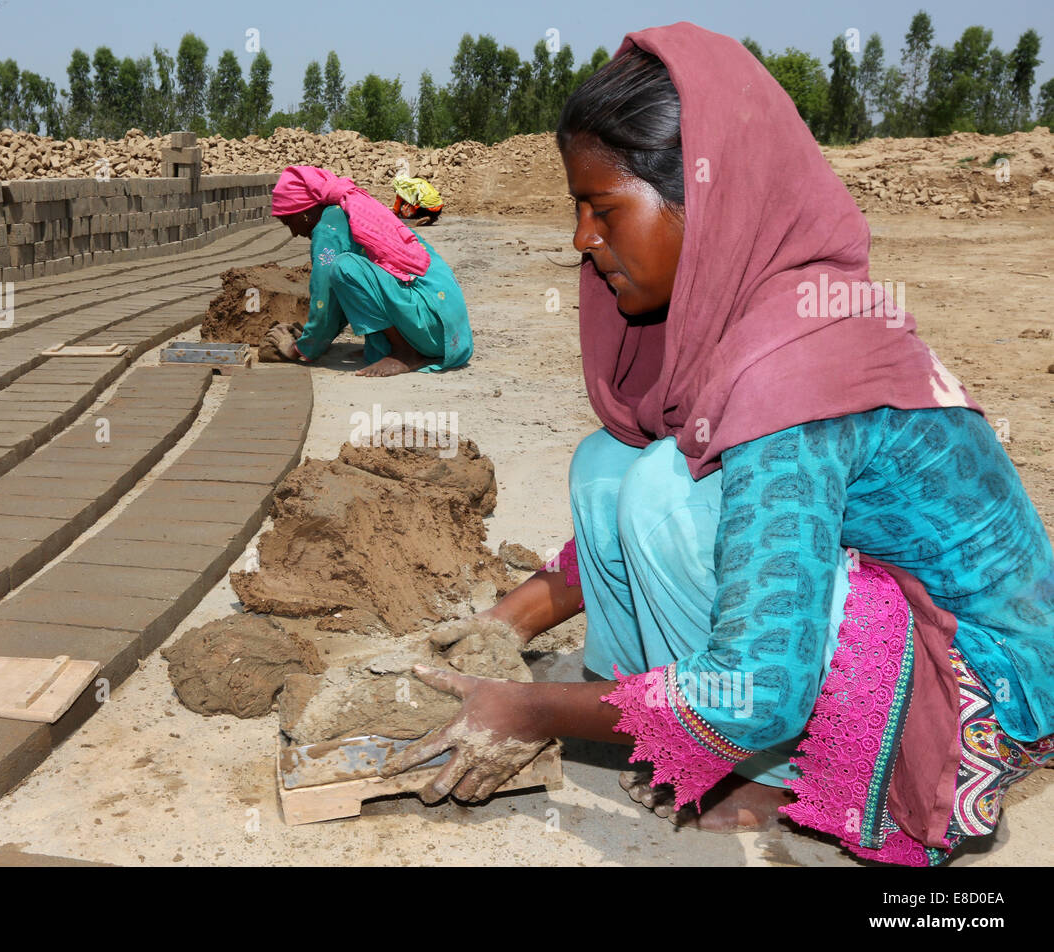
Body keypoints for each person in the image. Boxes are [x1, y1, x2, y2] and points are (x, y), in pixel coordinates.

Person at [378, 22, 1054, 866]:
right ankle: (658, 714)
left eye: (605, 209)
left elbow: (758, 683)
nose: (582, 241)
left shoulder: (795, 362)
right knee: (609, 468)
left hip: (977, 687)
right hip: (894, 605)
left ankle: (762, 768)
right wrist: (506, 621)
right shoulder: (747, 310)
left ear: (711, 203)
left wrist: (520, 710)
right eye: (577, 209)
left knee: (664, 490)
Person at [265, 165, 472, 378]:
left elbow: (325, 295)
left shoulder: (328, 229)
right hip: (448, 328)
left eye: (289, 221)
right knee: (348, 272)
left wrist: (299, 348)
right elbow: (344, 296)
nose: (294, 232)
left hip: (431, 327)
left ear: (305, 212)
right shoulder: (347, 210)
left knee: (343, 267)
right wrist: (314, 338)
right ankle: (393, 346)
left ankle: (406, 353)